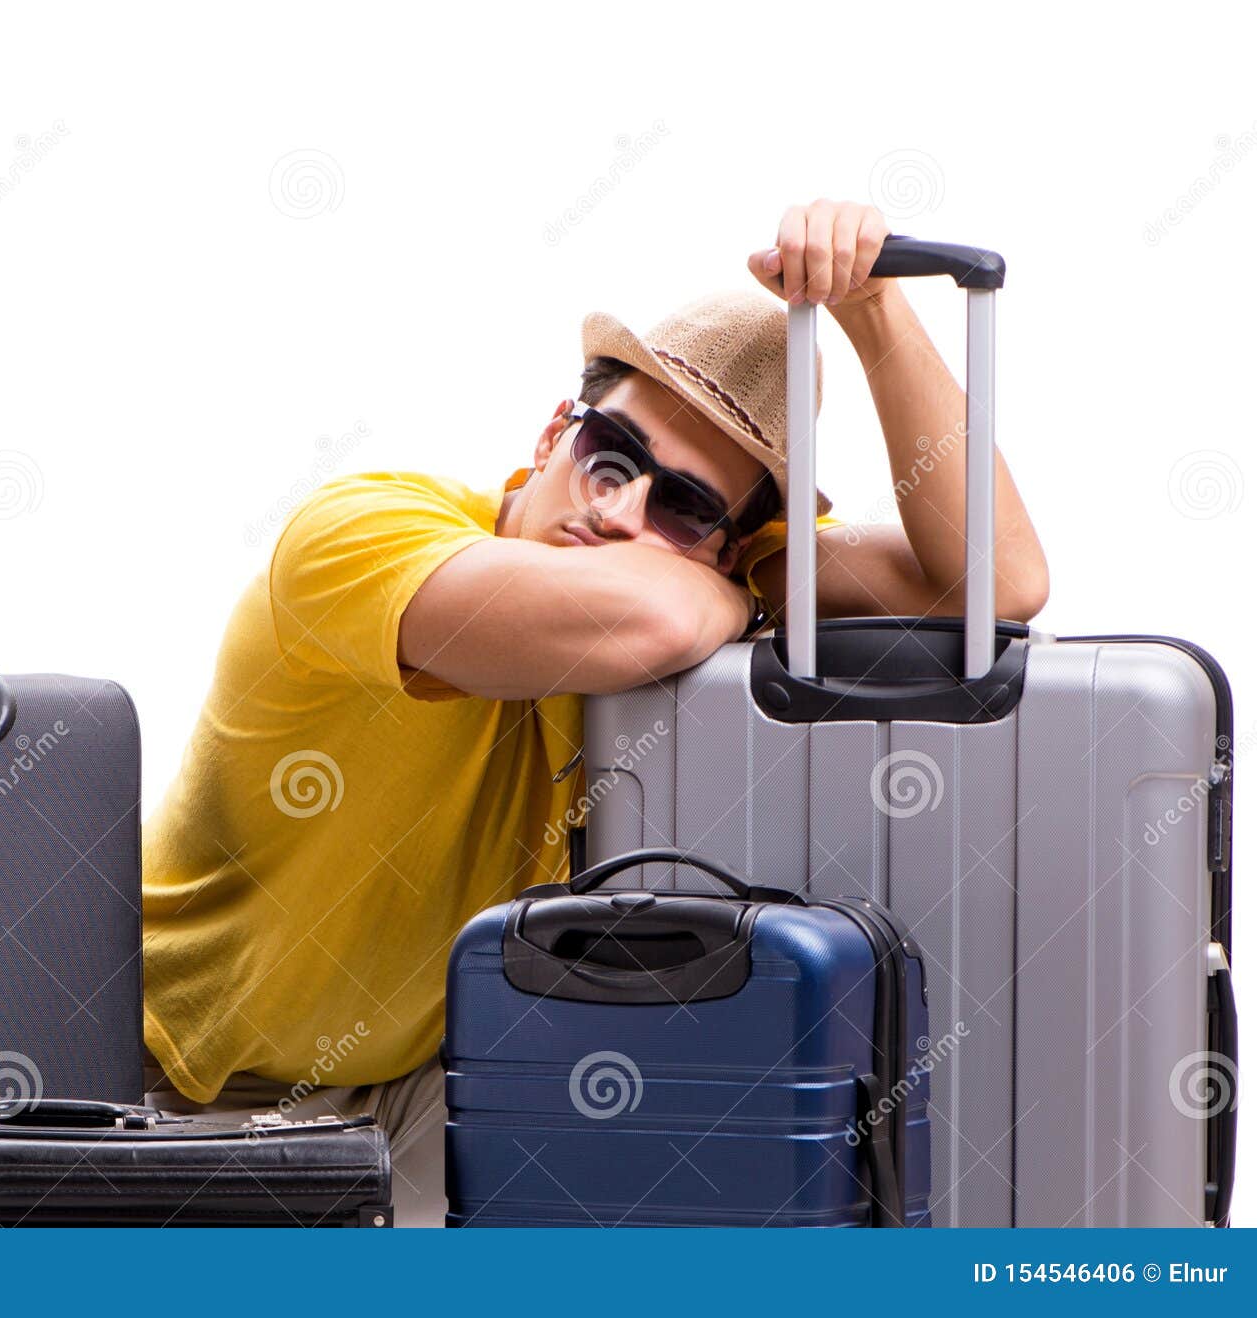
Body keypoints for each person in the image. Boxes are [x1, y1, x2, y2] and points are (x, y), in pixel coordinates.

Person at [140, 199, 1050, 1225]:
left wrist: (878, 313)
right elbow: (647, 621)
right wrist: (729, 576)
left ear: (727, 538)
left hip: (425, 1086)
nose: (616, 510)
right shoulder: (360, 531)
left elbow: (999, 581)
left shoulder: (697, 574)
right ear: (550, 433)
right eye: (610, 453)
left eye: (684, 504)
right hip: (192, 1080)